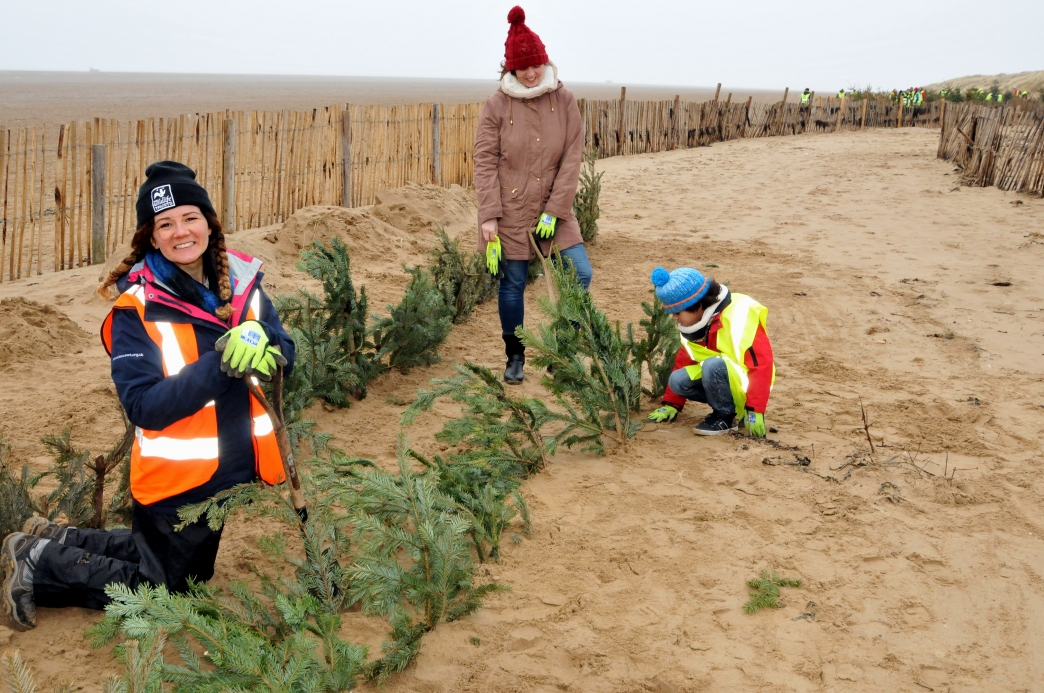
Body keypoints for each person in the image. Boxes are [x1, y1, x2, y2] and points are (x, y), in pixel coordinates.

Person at [1, 161, 295, 631]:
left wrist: (267, 343)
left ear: (208, 222)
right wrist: (222, 363)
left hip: (227, 468)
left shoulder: (241, 281)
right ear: (151, 237)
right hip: (178, 479)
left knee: (188, 570)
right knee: (169, 592)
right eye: (165, 224)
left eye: (190, 217)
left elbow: (286, 349)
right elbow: (144, 407)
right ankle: (38, 560)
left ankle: (57, 536)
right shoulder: (136, 309)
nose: (181, 232)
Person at [474, 6, 590, 384]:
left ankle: (562, 349)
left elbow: (572, 157)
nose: (530, 72)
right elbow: (485, 159)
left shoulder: (566, 100)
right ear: (510, 69)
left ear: (544, 61)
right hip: (509, 210)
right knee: (512, 284)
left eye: (535, 64)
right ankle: (515, 356)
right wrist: (489, 215)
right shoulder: (497, 104)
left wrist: (555, 211)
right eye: (522, 67)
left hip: (554, 210)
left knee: (581, 273)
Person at [645, 267, 775, 436]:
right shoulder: (694, 326)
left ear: (698, 306)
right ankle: (726, 405)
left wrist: (755, 410)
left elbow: (762, 365)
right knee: (677, 380)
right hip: (720, 379)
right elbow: (685, 359)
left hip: (745, 385)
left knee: (712, 365)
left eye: (677, 312)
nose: (674, 318)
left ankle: (724, 417)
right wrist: (671, 404)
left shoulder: (739, 316)